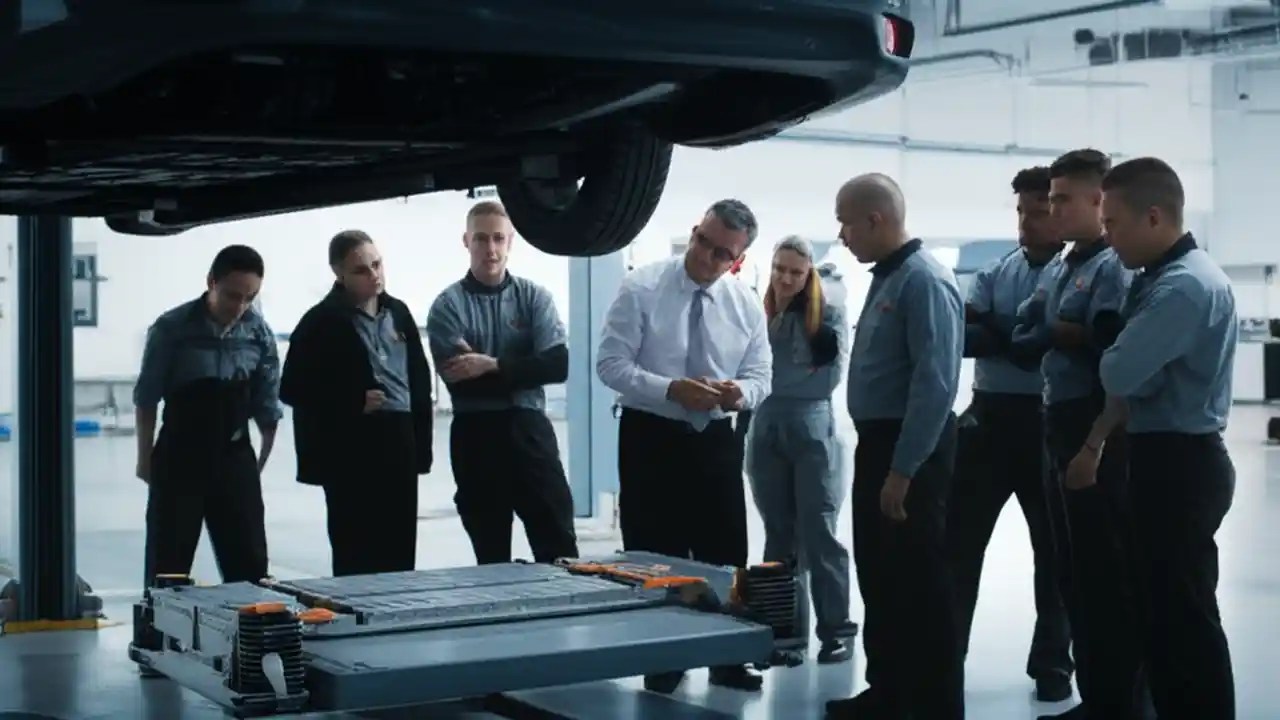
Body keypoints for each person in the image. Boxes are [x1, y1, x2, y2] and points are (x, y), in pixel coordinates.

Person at [1065, 157, 1237, 720]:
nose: (1107, 237)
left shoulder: (1184, 288)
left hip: (1180, 465)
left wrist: (1119, 351)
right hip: (1164, 457)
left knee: (1184, 621)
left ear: (1155, 217)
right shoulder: (1161, 278)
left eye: (1113, 223)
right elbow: (1132, 376)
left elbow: (1116, 372)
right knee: (1163, 615)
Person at [596, 198, 772, 693]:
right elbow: (610, 365)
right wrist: (672, 388)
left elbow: (762, 374)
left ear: (736, 260)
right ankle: (664, 658)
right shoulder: (642, 287)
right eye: (703, 242)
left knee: (724, 553)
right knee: (656, 553)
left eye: (721, 254)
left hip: (715, 438)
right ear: (694, 231)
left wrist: (742, 393)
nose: (706, 257)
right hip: (651, 436)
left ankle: (727, 657)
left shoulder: (744, 304)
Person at [825, 174, 965, 720]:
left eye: (846, 222)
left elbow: (934, 384)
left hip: (910, 449)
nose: (842, 235)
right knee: (881, 577)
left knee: (921, 587)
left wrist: (904, 470)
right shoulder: (890, 278)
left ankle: (932, 707)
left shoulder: (924, 281)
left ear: (875, 220)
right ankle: (889, 694)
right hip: (880, 444)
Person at [1010, 149, 1143, 720]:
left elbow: (1107, 345)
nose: (1051, 208)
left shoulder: (1115, 266)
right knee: (1073, 571)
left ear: (1099, 201)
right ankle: (1098, 697)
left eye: (1064, 199)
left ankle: (1123, 702)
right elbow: (1025, 329)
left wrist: (1061, 331)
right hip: (1054, 422)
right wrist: (1059, 330)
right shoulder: (1065, 266)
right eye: (1050, 198)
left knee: (1106, 573)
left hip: (1094, 422)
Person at [947, 165, 1074, 702]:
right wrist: (1014, 332)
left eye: (1038, 211)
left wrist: (1007, 333)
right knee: (957, 543)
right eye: (1021, 211)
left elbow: (1038, 348)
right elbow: (966, 336)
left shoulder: (1075, 274)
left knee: (1054, 551)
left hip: (1044, 423)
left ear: (1060, 213)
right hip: (988, 417)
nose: (1026, 221)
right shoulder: (998, 270)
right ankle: (944, 657)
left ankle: (1052, 664)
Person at [426, 201, 579, 565]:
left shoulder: (534, 298)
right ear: (466, 241)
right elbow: (464, 385)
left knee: (558, 546)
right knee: (490, 553)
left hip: (530, 434)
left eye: (498, 238)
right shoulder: (447, 307)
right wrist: (524, 368)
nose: (490, 249)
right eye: (481, 238)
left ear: (511, 241)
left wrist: (489, 363)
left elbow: (558, 366)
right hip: (476, 438)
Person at [279, 230, 435, 577]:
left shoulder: (398, 312)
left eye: (377, 264)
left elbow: (419, 379)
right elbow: (291, 387)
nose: (374, 275)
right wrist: (350, 401)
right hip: (350, 447)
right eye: (362, 270)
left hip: (399, 439)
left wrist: (422, 449)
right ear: (340, 274)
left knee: (399, 549)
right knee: (355, 549)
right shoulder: (321, 321)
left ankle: (394, 621)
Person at [134, 245, 281, 587]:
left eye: (250, 297)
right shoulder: (172, 329)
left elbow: (267, 404)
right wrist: (145, 459)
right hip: (180, 456)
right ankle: (156, 638)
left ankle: (249, 638)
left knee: (249, 564)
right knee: (167, 562)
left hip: (233, 455)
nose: (239, 307)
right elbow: (147, 397)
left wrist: (256, 463)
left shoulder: (257, 333)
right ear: (211, 282)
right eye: (232, 296)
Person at [745, 236, 858, 664]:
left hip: (812, 426)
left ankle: (837, 631)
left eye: (796, 271)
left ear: (808, 273)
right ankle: (782, 635)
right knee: (778, 532)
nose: (786, 278)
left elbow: (824, 381)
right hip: (766, 424)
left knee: (819, 531)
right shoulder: (758, 313)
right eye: (780, 269)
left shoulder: (826, 314)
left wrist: (764, 381)